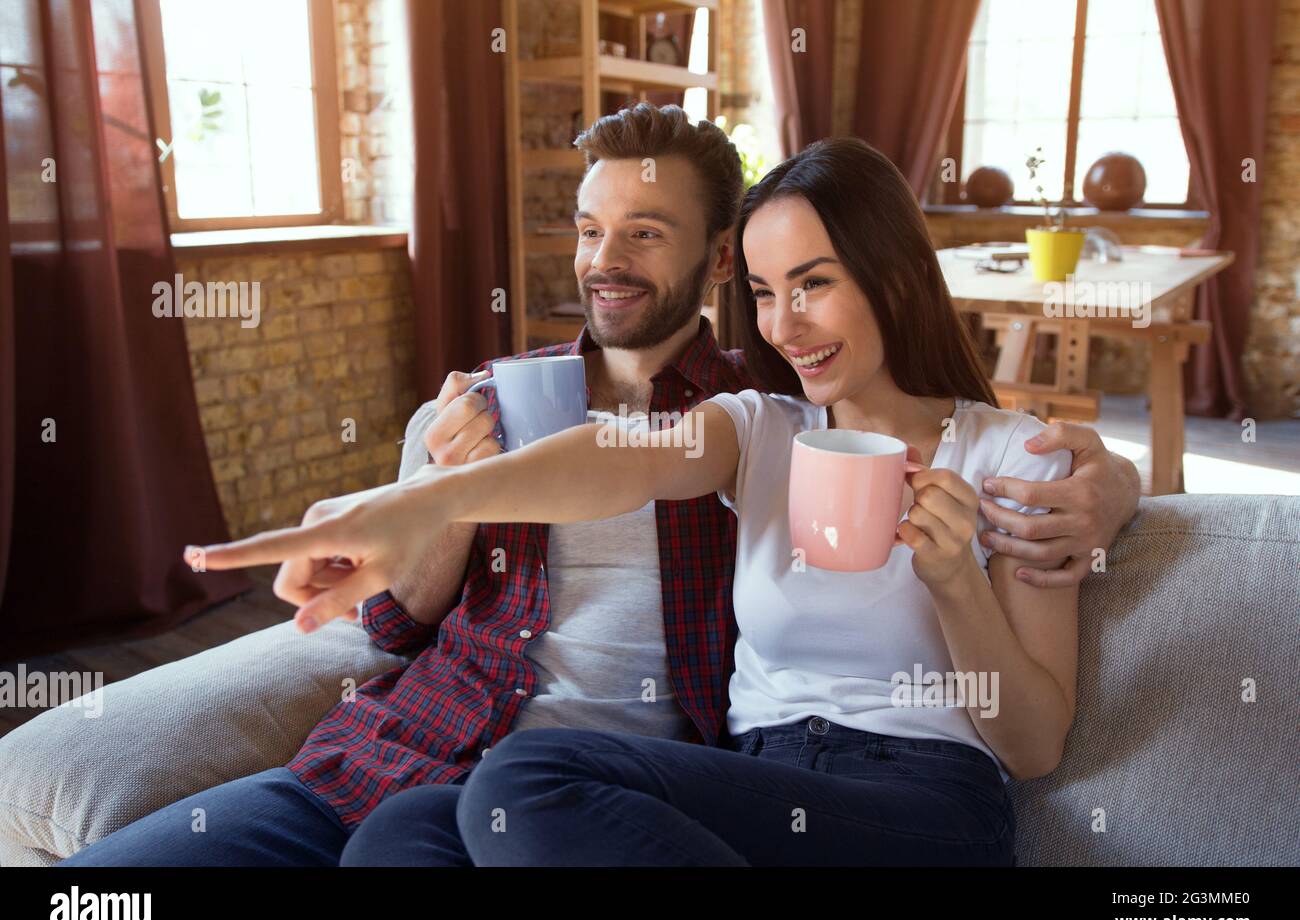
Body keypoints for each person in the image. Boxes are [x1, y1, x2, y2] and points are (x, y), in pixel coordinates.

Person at [59, 105, 1136, 867]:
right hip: (558, 773)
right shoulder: (744, 427)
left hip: (879, 795)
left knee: (526, 787)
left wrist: (979, 560)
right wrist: (429, 495)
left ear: (889, 274)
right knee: (388, 838)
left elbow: (1033, 740)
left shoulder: (1015, 456)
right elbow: (612, 462)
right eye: (770, 293)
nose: (784, 322)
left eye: (813, 283)